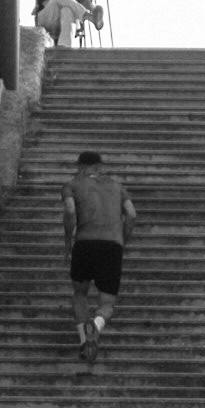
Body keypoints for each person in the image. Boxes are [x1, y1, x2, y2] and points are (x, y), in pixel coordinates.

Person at [62, 148, 137, 354]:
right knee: (107, 303)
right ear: (99, 167)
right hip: (111, 246)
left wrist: (68, 241)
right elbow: (131, 214)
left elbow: (69, 210)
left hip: (85, 244)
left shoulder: (72, 185)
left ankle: (85, 339)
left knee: (79, 294)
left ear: (80, 167)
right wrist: (122, 240)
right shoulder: (117, 186)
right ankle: (96, 324)